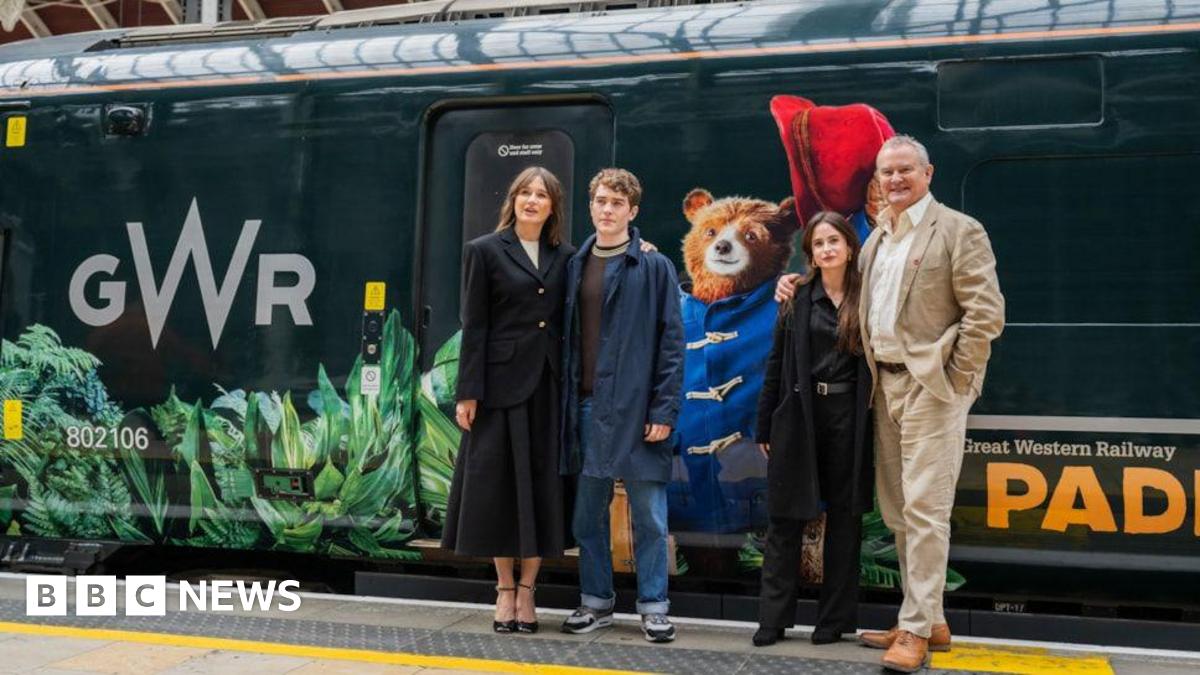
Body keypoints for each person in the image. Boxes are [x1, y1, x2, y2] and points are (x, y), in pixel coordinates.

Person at [777, 135, 1004, 672]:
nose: (896, 180)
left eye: (906, 170)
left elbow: (985, 314)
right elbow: (844, 291)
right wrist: (794, 284)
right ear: (877, 180)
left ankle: (915, 630)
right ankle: (929, 618)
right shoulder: (877, 238)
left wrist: (955, 378)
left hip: (931, 387)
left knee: (926, 509)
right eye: (887, 172)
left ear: (929, 173)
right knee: (901, 511)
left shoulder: (958, 230)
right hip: (884, 387)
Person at [442, 166, 574, 635]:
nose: (532, 200)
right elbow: (473, 325)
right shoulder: (484, 251)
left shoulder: (567, 257)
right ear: (513, 200)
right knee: (499, 487)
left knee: (541, 488)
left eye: (542, 194)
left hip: (550, 387)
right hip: (498, 389)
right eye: (525, 192)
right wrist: (467, 391)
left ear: (554, 205)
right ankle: (503, 588)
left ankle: (528, 591)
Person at [559, 168, 685, 643]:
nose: (607, 209)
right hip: (588, 408)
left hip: (639, 412)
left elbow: (672, 344)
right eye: (600, 201)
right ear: (591, 206)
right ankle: (596, 603)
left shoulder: (654, 267)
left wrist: (663, 411)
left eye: (617, 203)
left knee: (649, 515)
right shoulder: (575, 264)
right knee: (586, 515)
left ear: (633, 212)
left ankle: (654, 606)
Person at [752, 212, 873, 648]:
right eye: (818, 243)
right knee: (785, 518)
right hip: (800, 415)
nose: (826, 249)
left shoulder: (868, 296)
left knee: (846, 519)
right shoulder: (796, 297)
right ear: (811, 255)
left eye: (833, 241)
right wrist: (765, 422)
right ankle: (772, 620)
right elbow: (774, 362)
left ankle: (833, 622)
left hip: (851, 418)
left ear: (849, 247)